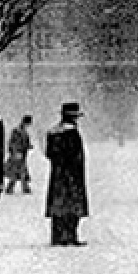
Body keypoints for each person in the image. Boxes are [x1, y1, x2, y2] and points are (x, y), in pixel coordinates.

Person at [45, 101, 89, 246]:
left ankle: (57, 236)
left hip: (57, 175)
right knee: (72, 207)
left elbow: (49, 154)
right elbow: (75, 156)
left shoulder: (53, 132)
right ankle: (70, 236)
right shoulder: (72, 133)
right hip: (72, 176)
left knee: (58, 207)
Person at [5, 114, 34, 194]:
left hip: (21, 154)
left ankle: (13, 188)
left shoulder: (22, 131)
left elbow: (23, 142)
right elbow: (13, 143)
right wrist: (16, 152)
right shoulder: (17, 131)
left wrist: (28, 146)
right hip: (18, 154)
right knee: (19, 171)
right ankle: (24, 188)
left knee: (18, 171)